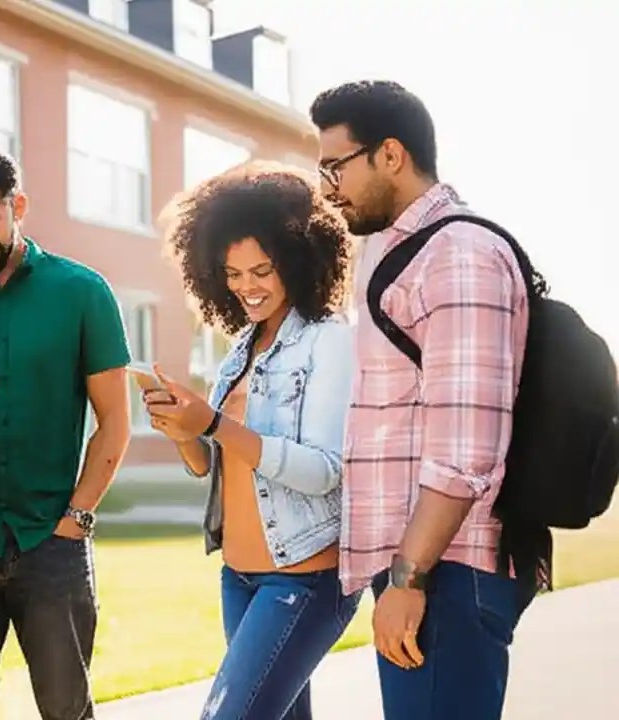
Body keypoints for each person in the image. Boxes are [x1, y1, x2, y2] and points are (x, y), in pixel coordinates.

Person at [310, 80, 529, 719]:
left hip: (448, 569)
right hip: (428, 565)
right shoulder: (397, 251)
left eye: (335, 167)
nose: (329, 188)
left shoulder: (457, 256)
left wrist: (409, 579)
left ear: (390, 154)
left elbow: (465, 450)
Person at [0, 146, 133, 720]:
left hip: (50, 543)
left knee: (67, 710)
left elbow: (114, 422)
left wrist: (76, 519)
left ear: (19, 207)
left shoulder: (83, 292)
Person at [148, 161, 359, 720]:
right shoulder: (241, 349)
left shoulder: (328, 341)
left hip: (303, 580)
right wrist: (183, 431)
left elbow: (323, 470)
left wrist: (214, 424)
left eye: (262, 270)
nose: (246, 287)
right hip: (238, 578)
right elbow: (211, 466)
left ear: (298, 260)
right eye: (233, 273)